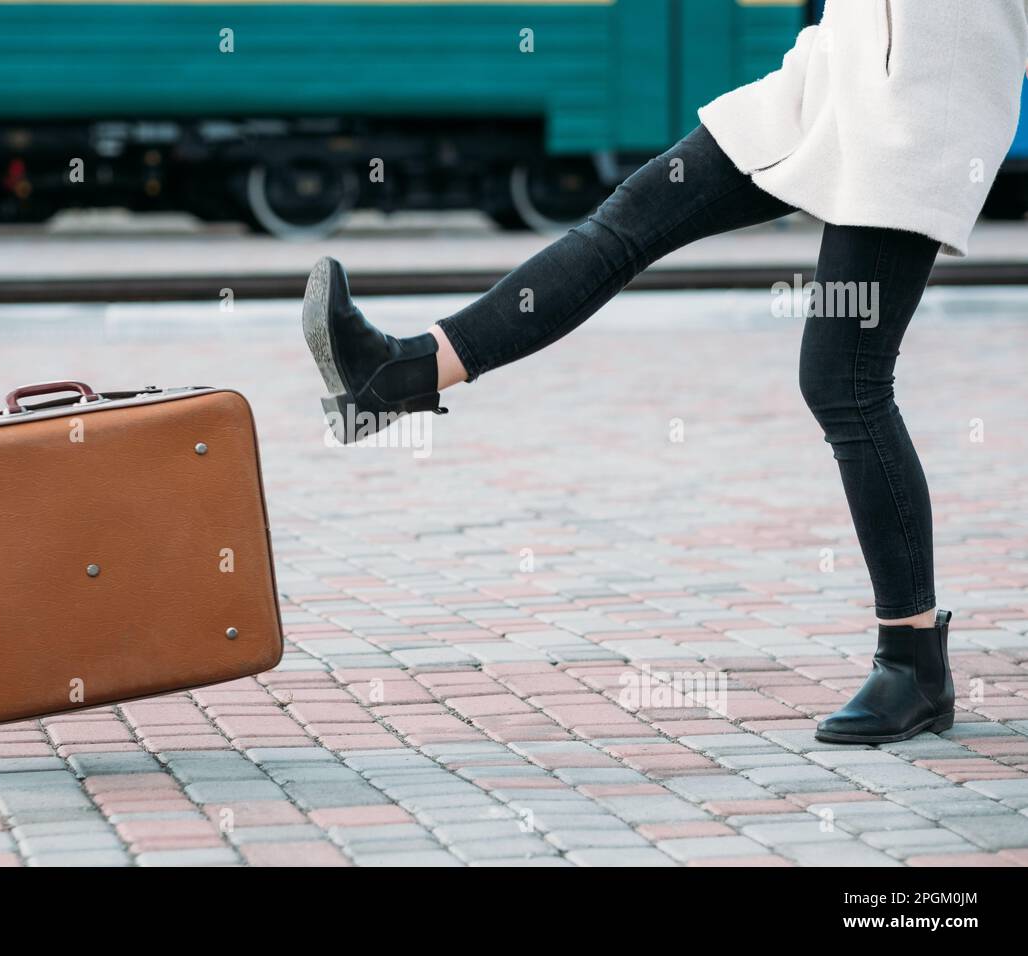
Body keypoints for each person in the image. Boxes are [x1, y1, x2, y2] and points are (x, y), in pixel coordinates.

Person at [301, 0, 1028, 744]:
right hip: (838, 63)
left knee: (844, 379)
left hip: (918, 91)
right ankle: (396, 376)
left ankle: (912, 664)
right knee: (631, 218)